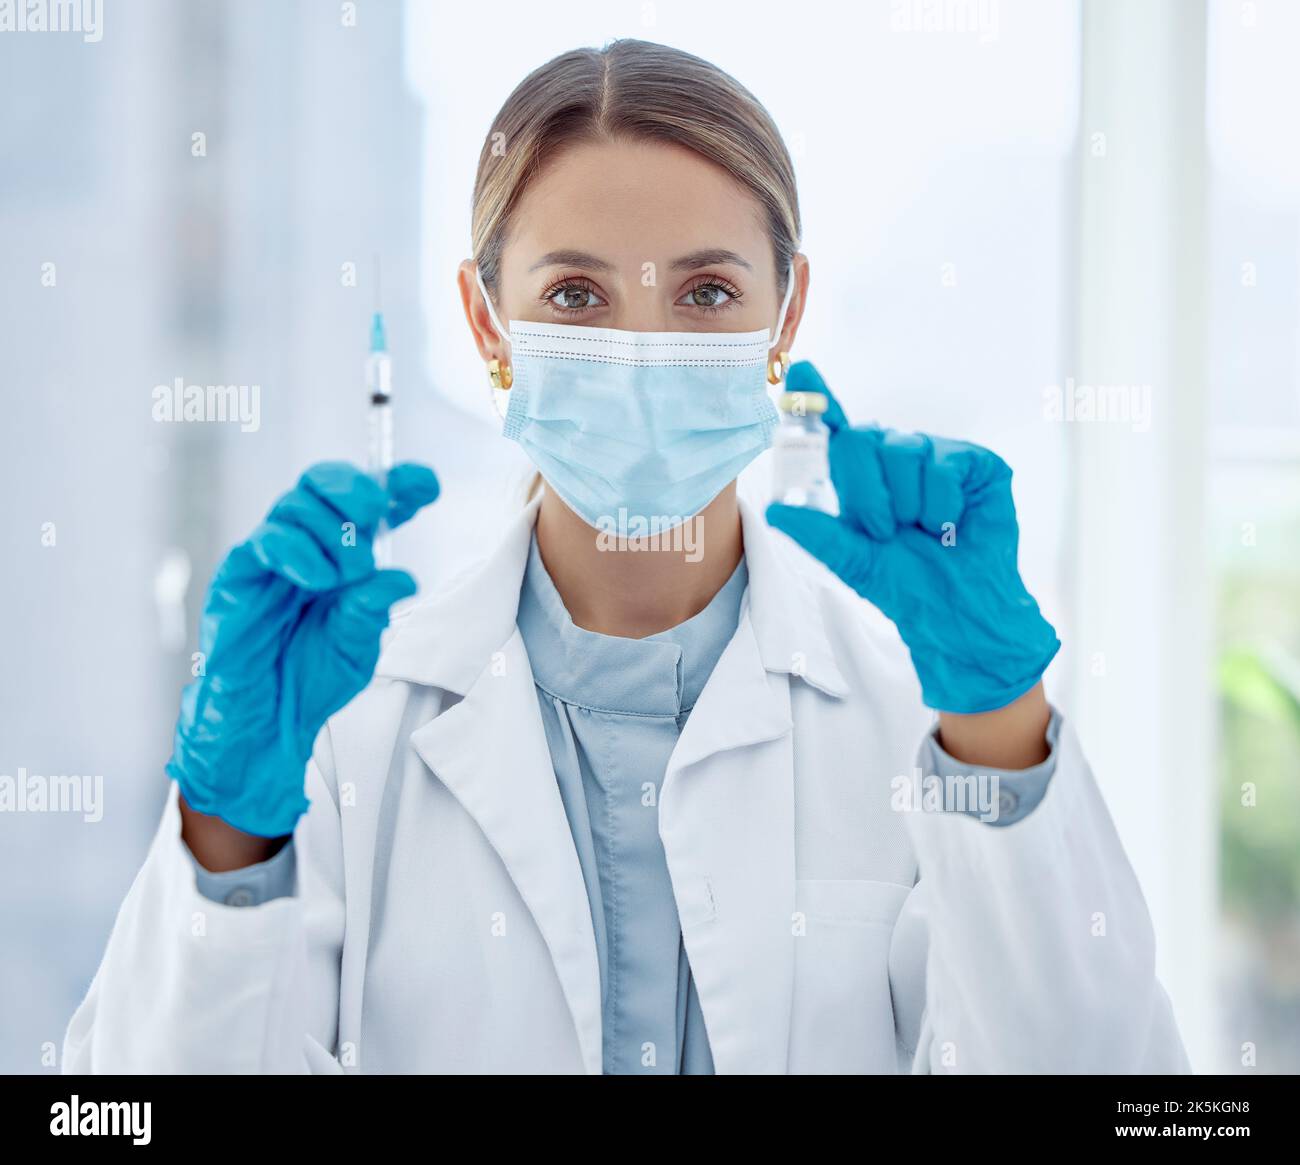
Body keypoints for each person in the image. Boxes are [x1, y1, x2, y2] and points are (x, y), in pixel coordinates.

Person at [64, 39, 1188, 1075]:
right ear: (486, 320)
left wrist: (998, 728)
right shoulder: (348, 725)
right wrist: (228, 833)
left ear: (783, 316)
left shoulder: (914, 716)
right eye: (575, 296)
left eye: (705, 292)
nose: (644, 347)